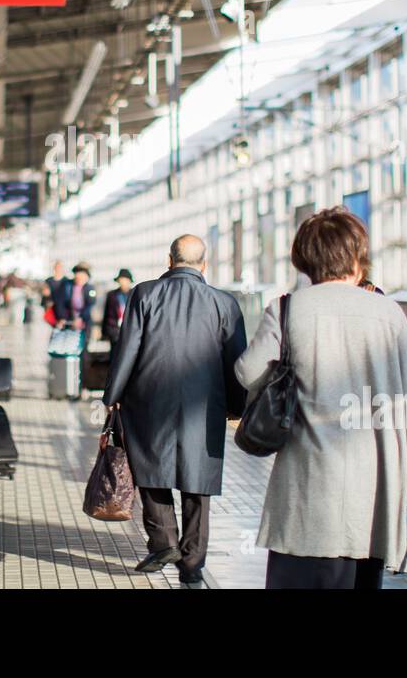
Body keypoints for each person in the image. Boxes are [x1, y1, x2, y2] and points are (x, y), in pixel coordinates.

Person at [235, 207, 407, 590]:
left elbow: (247, 372)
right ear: (357, 258)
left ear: (305, 259)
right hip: (373, 487)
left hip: (307, 485)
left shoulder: (287, 308)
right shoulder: (390, 313)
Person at [103, 236, 248, 585]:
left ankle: (165, 540)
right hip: (205, 405)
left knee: (151, 469)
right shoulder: (224, 303)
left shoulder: (145, 293)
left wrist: (112, 396)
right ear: (204, 264)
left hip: (148, 400)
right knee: (198, 484)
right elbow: (236, 362)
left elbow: (128, 348)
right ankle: (192, 563)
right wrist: (236, 406)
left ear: (169, 260)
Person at [54, 263, 96, 349]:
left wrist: (80, 318)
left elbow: (90, 305)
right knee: (69, 347)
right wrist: (62, 317)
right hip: (68, 322)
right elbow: (60, 302)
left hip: (84, 323)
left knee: (83, 348)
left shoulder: (90, 288)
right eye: (77, 275)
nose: (79, 278)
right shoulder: (67, 286)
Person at [102, 269, 134, 344]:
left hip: (129, 328)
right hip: (114, 328)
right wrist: (104, 331)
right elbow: (107, 313)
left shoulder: (134, 294)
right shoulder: (112, 295)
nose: (123, 283)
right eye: (121, 280)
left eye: (125, 280)